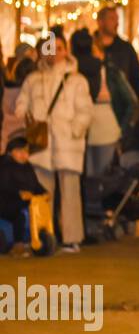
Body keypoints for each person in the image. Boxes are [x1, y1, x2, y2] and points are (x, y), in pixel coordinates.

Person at [15, 33, 93, 253]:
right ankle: (43, 235)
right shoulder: (33, 79)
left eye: (59, 48)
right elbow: (22, 104)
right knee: (42, 193)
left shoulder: (77, 81)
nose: (54, 53)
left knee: (70, 191)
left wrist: (75, 130)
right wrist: (27, 117)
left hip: (67, 143)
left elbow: (85, 111)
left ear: (66, 51)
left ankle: (72, 237)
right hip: (42, 144)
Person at [70, 28, 136, 179]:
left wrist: (121, 128)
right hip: (91, 128)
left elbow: (131, 102)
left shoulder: (109, 72)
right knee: (95, 179)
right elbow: (132, 102)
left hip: (96, 129)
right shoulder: (74, 72)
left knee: (94, 179)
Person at [0, 136, 45, 255]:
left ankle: (36, 239)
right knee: (19, 215)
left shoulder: (27, 166)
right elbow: (4, 185)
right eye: (20, 151)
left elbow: (35, 184)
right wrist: (19, 193)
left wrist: (44, 192)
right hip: (6, 202)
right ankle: (18, 244)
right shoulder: (5, 166)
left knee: (37, 212)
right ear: (10, 152)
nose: (24, 155)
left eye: (26, 152)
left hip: (24, 201)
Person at [95, 4, 139, 98]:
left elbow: (136, 79)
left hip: (120, 108)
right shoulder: (90, 47)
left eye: (117, 19)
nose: (117, 23)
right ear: (101, 22)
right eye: (112, 19)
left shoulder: (126, 49)